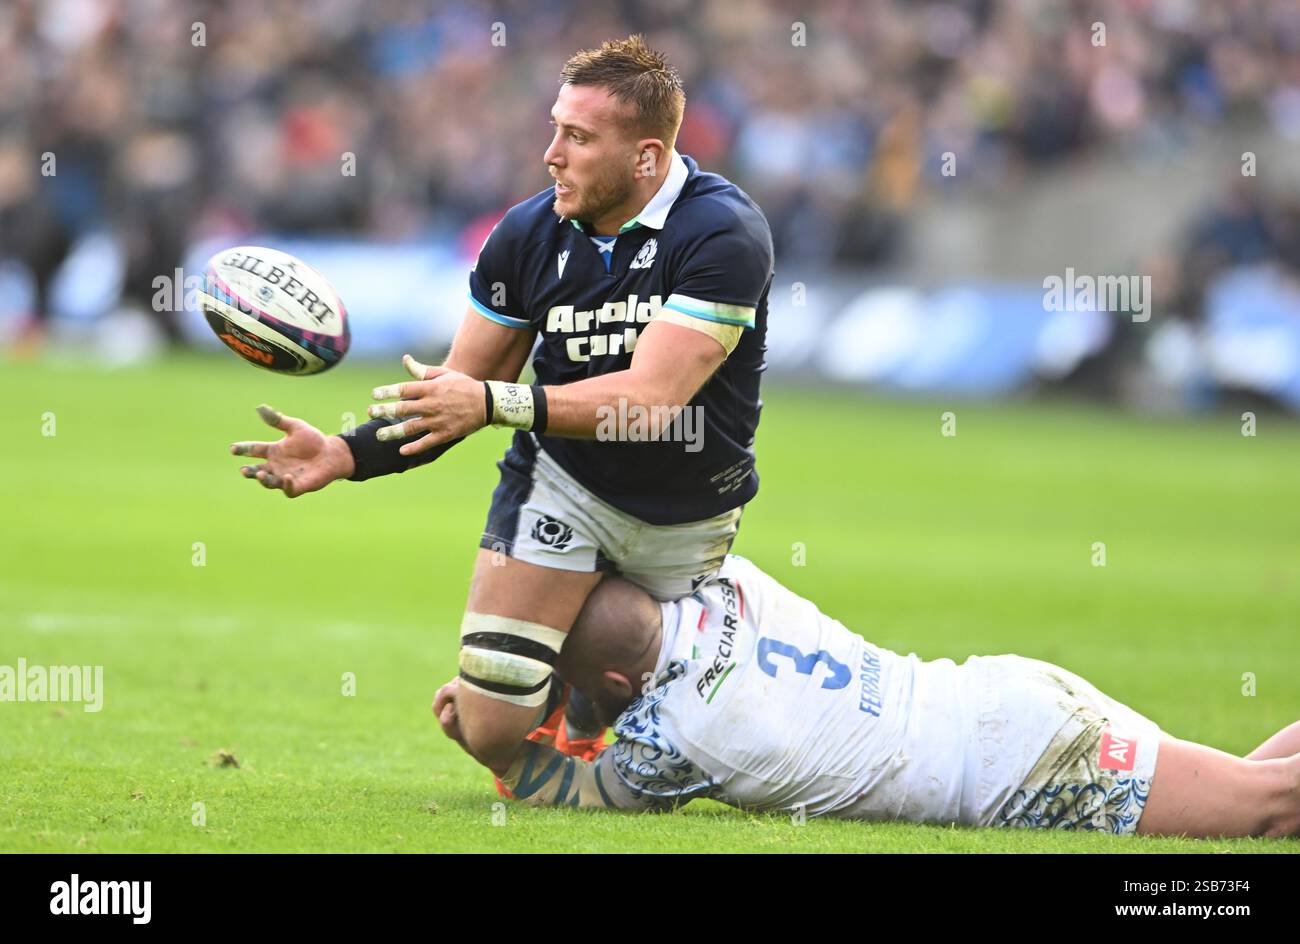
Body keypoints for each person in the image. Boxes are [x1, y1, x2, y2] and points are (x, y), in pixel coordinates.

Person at [228, 36, 775, 773]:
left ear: (647, 157)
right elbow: (457, 390)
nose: (552, 153)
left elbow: (649, 404)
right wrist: (346, 452)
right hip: (563, 487)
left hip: (689, 512)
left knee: (621, 648)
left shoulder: (722, 232)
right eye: (555, 128)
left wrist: (491, 402)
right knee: (489, 733)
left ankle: (592, 689)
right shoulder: (525, 234)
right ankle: (550, 679)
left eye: (578, 138)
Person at [434, 555, 1300, 838]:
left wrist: (497, 737)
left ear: (617, 688)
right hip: (1005, 693)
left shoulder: (681, 740)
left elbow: (575, 788)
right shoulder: (729, 580)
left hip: (1017, 768)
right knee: (1250, 790)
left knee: (1267, 809)